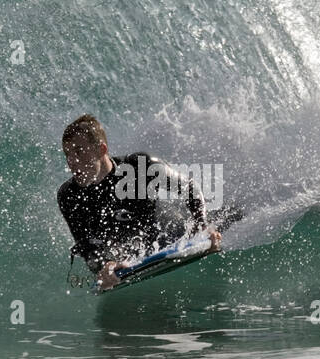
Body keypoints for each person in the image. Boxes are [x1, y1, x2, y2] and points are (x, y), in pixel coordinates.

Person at [58, 114, 221, 291]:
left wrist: (202, 226)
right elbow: (86, 245)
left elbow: (191, 189)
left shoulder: (139, 166)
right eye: (68, 154)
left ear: (101, 149)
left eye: (79, 152)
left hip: (177, 230)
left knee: (230, 218)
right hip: (140, 250)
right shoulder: (69, 195)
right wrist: (106, 265)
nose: (71, 162)